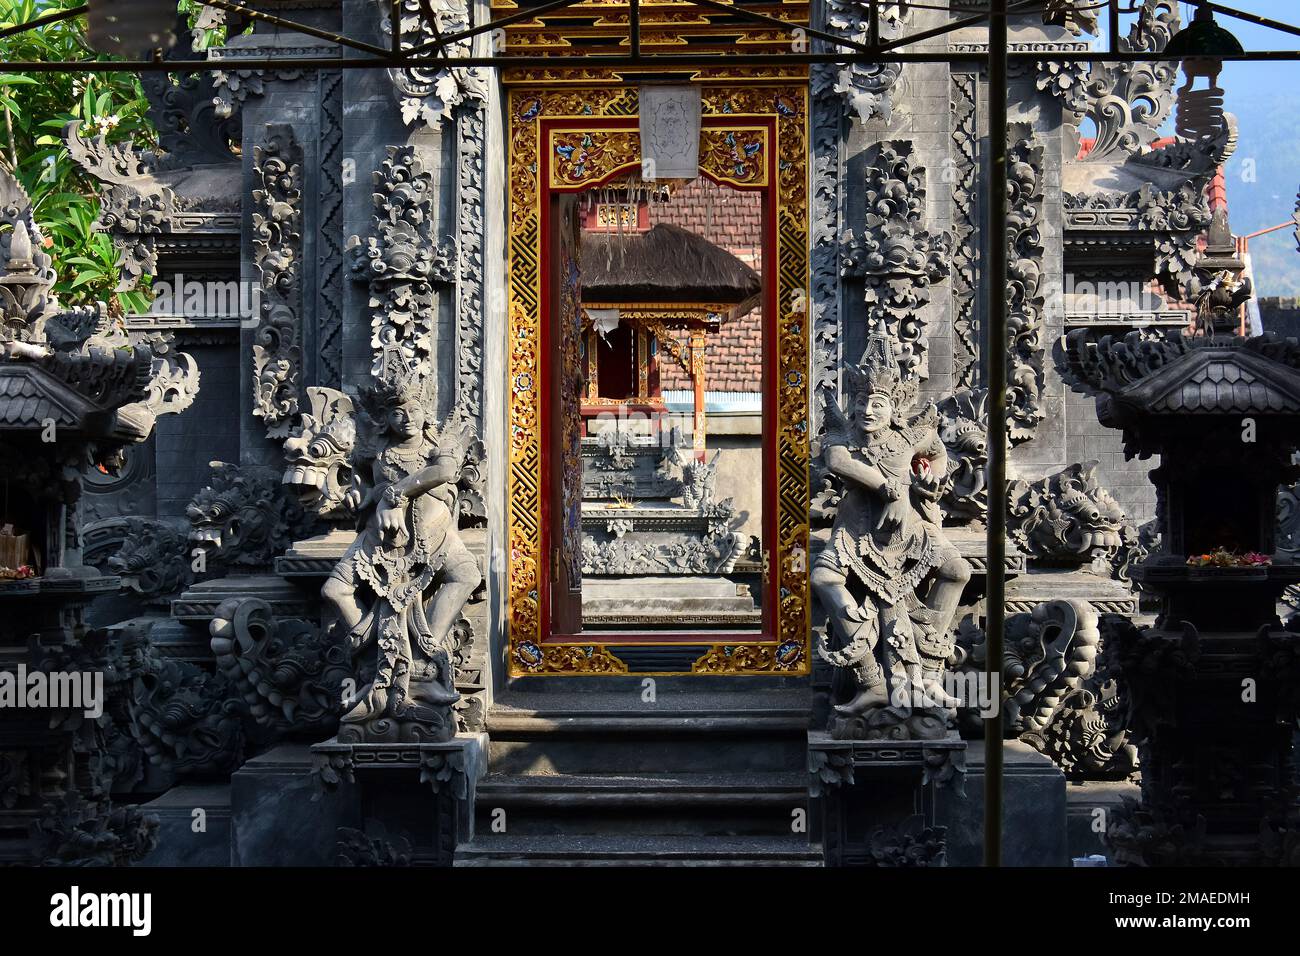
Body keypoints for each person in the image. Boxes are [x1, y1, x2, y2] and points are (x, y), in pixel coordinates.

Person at [813, 323, 971, 717]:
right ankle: (871, 679)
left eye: (877, 405)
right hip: (856, 532)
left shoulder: (908, 437)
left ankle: (930, 674)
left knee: (957, 570)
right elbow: (837, 462)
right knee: (822, 579)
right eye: (862, 404)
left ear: (893, 409)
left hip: (911, 534)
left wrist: (931, 477)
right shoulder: (842, 436)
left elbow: (937, 451)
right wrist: (890, 488)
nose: (868, 411)